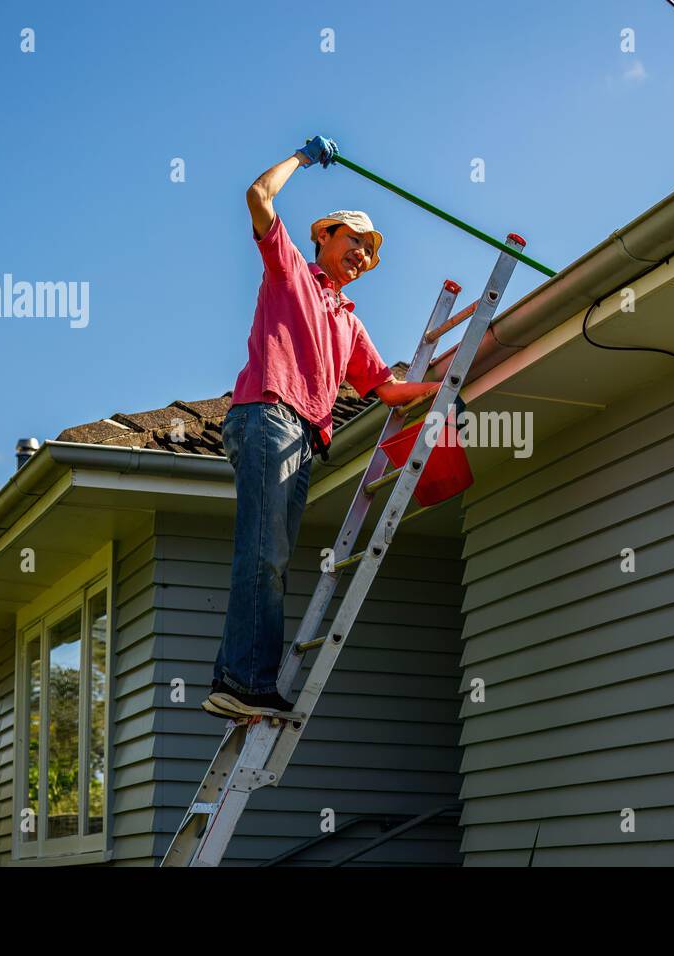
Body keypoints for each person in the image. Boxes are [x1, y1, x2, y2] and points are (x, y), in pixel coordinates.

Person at [202, 136, 439, 720]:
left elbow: (387, 391)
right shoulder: (289, 271)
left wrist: (453, 386)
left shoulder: (349, 323)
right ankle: (241, 680)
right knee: (264, 553)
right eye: (353, 241)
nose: (361, 255)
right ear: (323, 236)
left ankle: (247, 682)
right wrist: (303, 160)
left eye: (369, 252)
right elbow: (258, 195)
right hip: (267, 415)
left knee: (274, 558)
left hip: (304, 437)